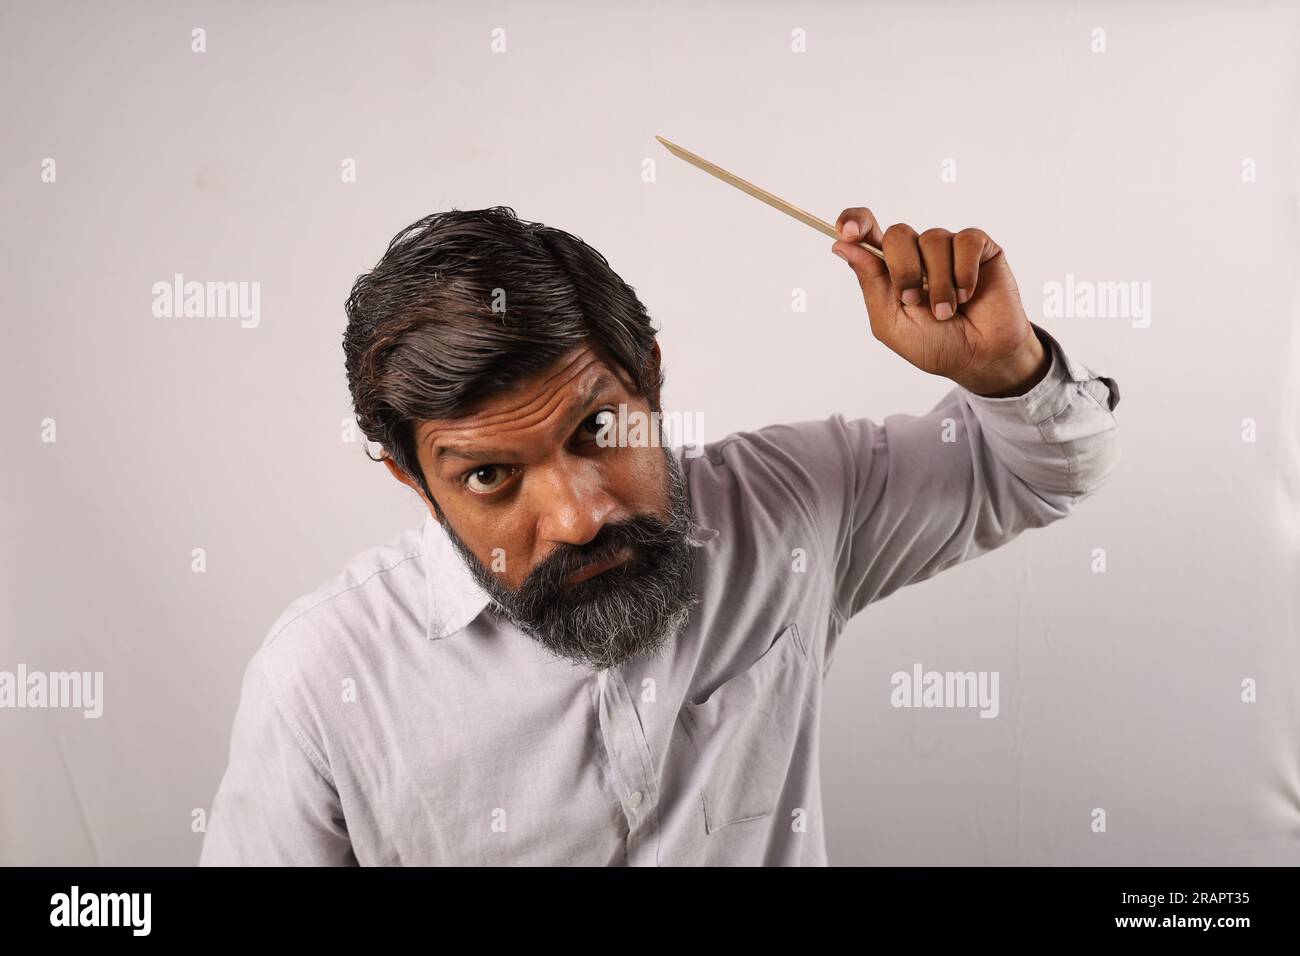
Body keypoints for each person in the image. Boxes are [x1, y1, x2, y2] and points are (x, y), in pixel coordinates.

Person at [200, 205, 1120, 865]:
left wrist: (1006, 370)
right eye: (489, 476)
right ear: (412, 478)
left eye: (600, 431)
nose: (577, 515)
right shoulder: (322, 684)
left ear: (650, 379)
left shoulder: (785, 506)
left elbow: (1035, 471)